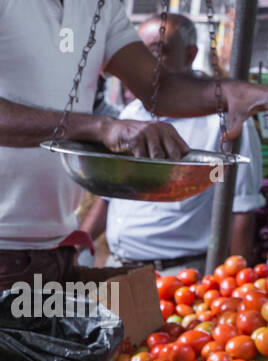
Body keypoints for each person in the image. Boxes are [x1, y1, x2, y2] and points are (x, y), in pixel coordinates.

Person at [0, 0, 268, 304]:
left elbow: (160, 89)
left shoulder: (99, 6)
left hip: (58, 237)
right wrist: (101, 127)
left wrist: (234, 94)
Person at [82, 14, 265, 275]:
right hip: (118, 266)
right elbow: (109, 196)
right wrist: (76, 245)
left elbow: (241, 210)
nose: (141, 64)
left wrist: (232, 282)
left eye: (157, 52)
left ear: (190, 55)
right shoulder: (131, 114)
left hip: (182, 273)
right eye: (137, 53)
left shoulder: (225, 124)